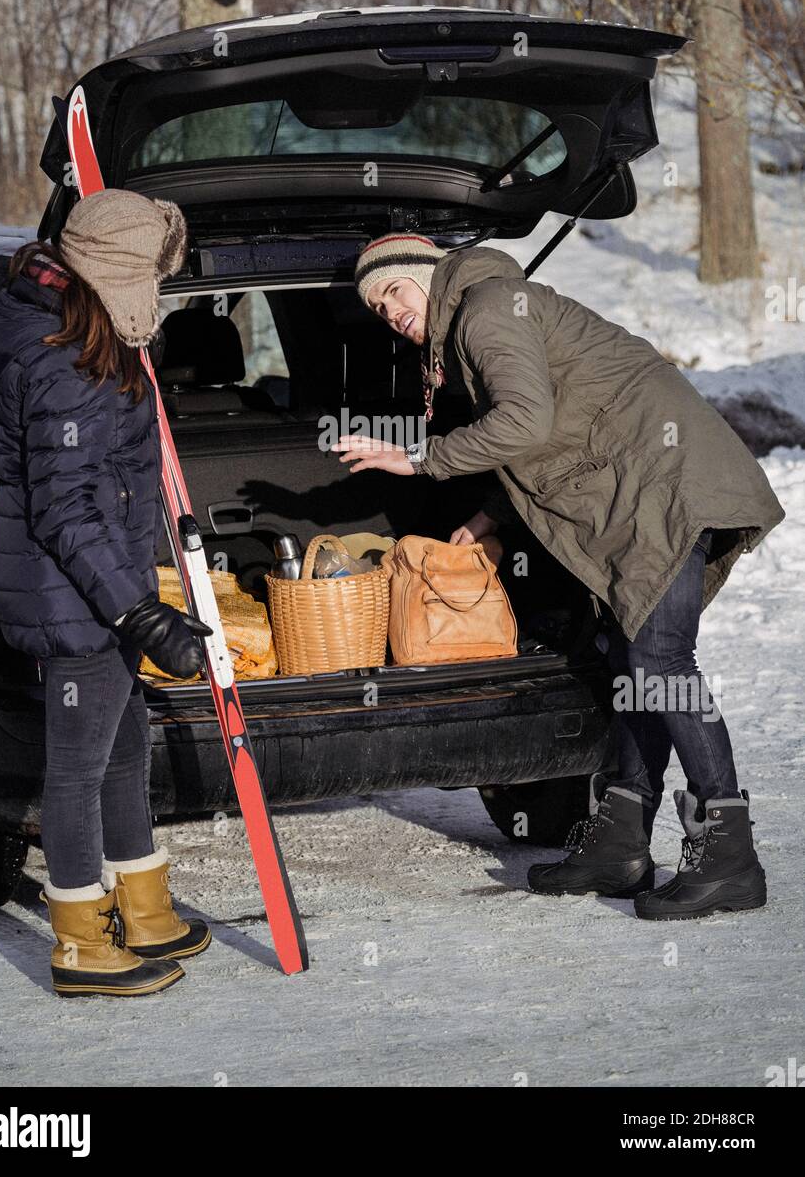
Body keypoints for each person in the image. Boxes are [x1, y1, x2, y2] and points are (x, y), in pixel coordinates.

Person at [335, 232, 785, 921]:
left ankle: (728, 854)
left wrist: (420, 459)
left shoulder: (486, 309)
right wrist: (491, 517)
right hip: (642, 491)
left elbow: (523, 420)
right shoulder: (482, 316)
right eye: (377, 307)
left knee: (661, 660)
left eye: (394, 291)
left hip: (664, 488)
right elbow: (545, 429)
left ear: (427, 275)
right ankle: (622, 840)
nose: (390, 312)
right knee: (635, 657)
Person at [0, 189, 214, 997]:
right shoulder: (64, 363)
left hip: (97, 591)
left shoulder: (73, 339)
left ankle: (144, 908)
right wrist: (134, 610)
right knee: (76, 771)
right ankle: (79, 943)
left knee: (125, 748)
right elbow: (68, 511)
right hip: (81, 603)